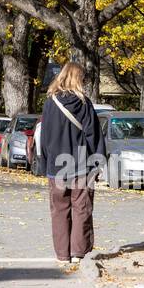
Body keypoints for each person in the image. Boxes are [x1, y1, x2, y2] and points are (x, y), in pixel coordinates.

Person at [36, 62, 107, 264]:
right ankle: (78, 252)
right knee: (81, 209)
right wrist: (99, 162)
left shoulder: (50, 103)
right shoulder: (84, 103)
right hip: (81, 166)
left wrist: (46, 163)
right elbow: (94, 135)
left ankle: (62, 254)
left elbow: (45, 136)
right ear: (79, 79)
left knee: (59, 210)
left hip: (56, 168)